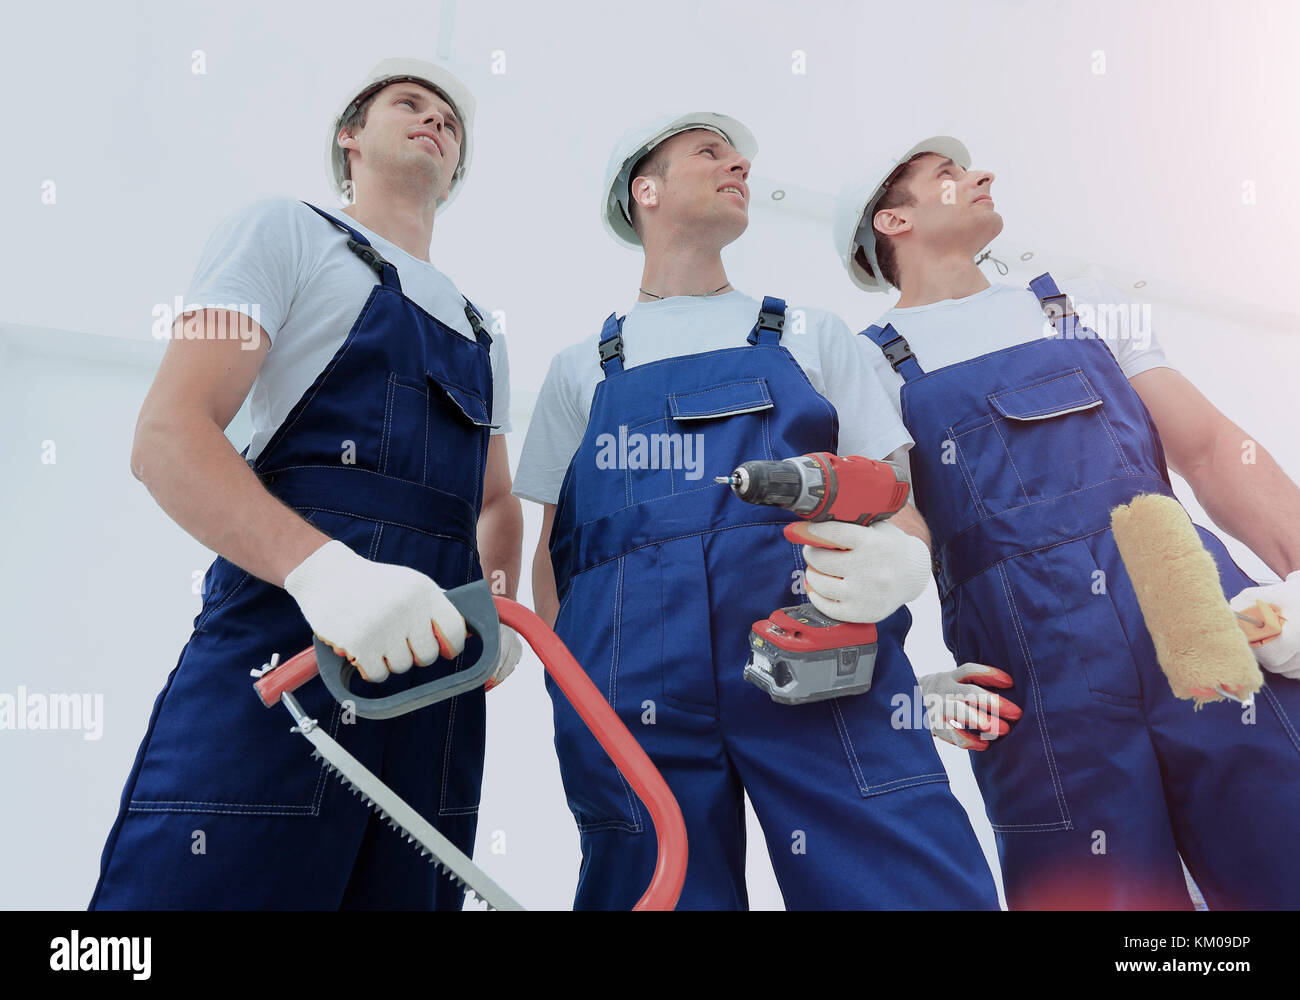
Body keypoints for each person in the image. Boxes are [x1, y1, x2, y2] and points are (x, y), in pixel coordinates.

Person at [512, 113, 1000, 910]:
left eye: (739, 156)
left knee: (902, 881)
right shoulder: (582, 370)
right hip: (629, 685)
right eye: (710, 152)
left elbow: (896, 503)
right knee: (655, 887)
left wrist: (900, 564)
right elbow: (555, 556)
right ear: (648, 190)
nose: (739, 164)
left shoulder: (814, 334)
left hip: (817, 654)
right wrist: (575, 693)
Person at [90, 58, 522, 909]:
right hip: (287, 647)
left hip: (435, 679)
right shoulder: (281, 231)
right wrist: (323, 573)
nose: (435, 118)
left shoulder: (483, 328)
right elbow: (168, 436)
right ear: (349, 137)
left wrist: (498, 611)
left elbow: (496, 500)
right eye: (408, 102)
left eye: (450, 119)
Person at [829, 135, 1300, 909]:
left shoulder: (1078, 305)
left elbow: (1213, 453)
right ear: (892, 220)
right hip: (1033, 672)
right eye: (947, 175)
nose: (981, 175)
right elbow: (888, 545)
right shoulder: (869, 366)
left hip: (1190, 607)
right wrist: (903, 685)